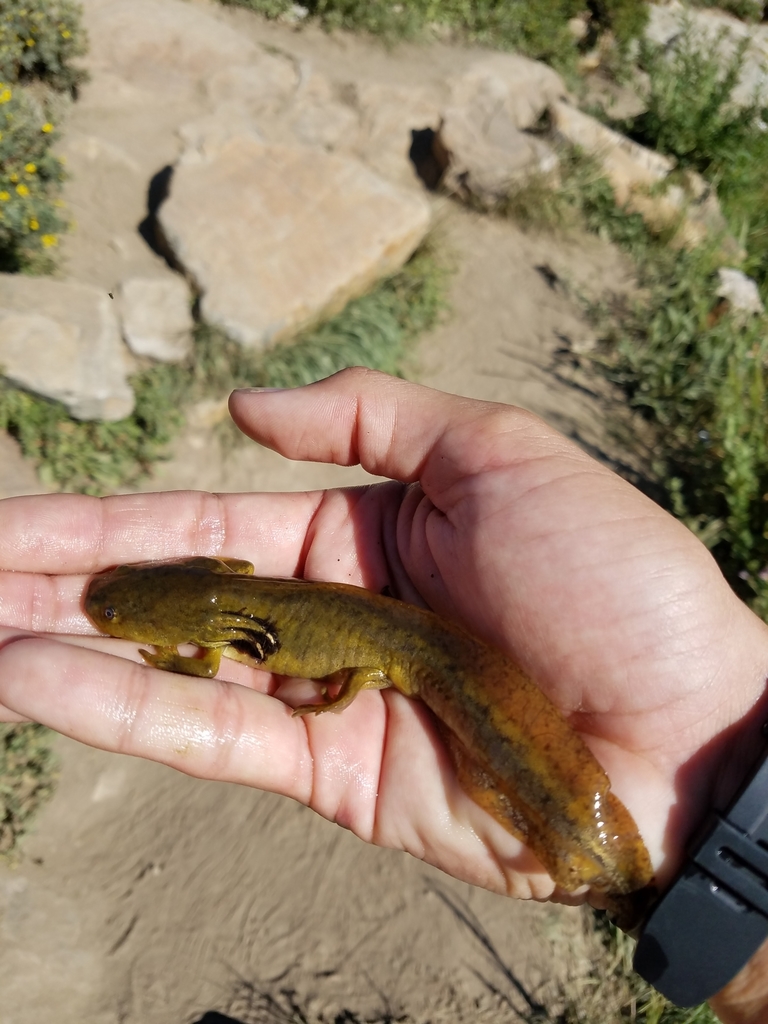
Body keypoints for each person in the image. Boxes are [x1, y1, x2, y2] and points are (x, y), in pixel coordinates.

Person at [0, 368, 766, 1021]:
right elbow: (228, 567)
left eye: (117, 610)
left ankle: (627, 880)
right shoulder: (221, 588)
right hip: (403, 643)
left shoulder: (216, 625)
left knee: (480, 731)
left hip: (407, 651)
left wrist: (177, 663)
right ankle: (627, 883)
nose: (108, 613)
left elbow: (208, 652)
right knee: (475, 726)